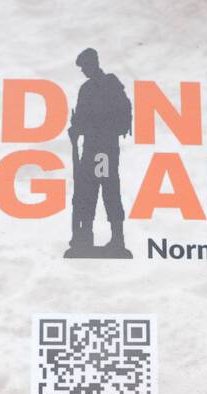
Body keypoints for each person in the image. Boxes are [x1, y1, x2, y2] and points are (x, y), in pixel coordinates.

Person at [66, 48, 132, 258]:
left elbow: (121, 114)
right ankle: (87, 236)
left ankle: (117, 237)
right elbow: (81, 118)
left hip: (104, 149)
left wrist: (92, 127)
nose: (84, 71)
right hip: (92, 148)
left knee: (107, 190)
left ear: (93, 63)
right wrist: (77, 129)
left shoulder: (110, 85)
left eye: (86, 66)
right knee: (88, 192)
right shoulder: (87, 89)